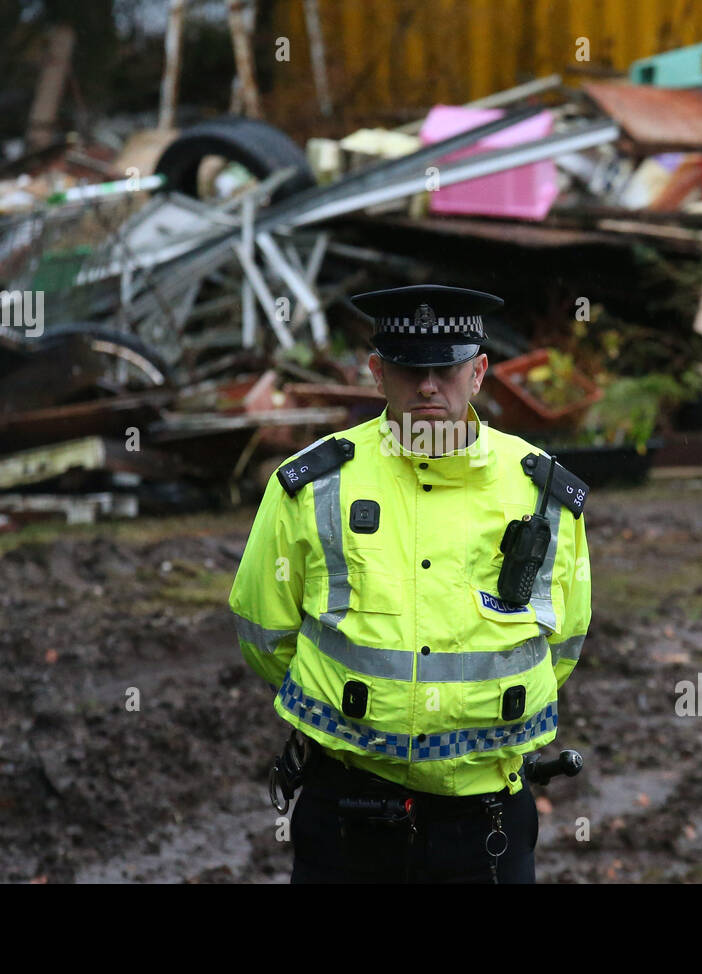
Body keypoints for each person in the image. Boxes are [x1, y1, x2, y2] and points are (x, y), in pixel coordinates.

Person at [228, 284, 591, 883]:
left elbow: (564, 641)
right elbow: (264, 630)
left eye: (445, 368)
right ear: (376, 372)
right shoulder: (314, 483)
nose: (427, 385)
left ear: (477, 373)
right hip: (348, 811)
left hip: (487, 822)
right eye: (407, 367)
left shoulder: (542, 492)